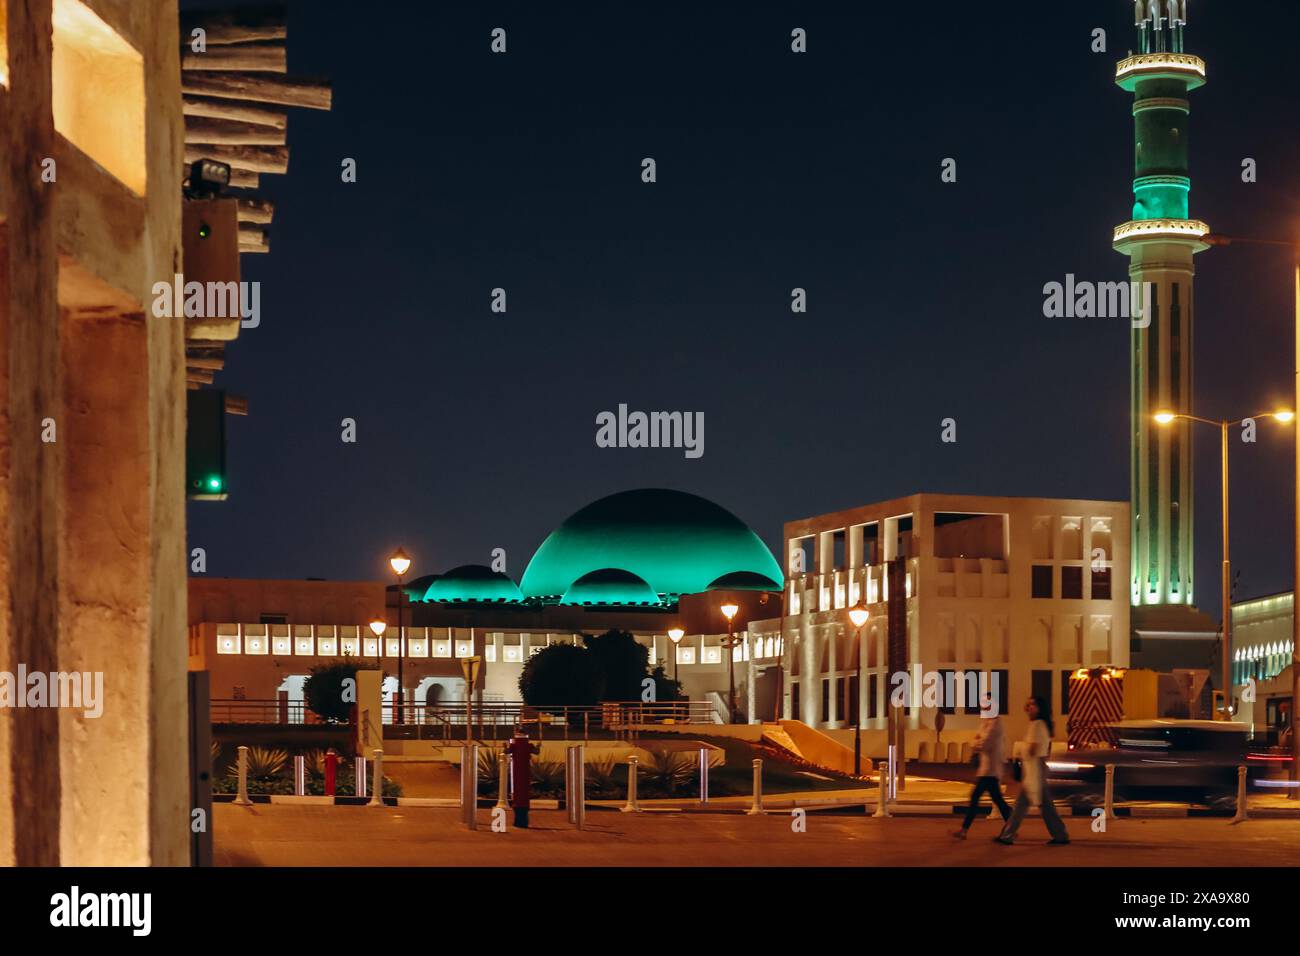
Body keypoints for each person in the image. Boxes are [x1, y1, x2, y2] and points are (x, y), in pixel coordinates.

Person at [995, 696, 1070, 845]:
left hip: (1034, 768)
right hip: (1038, 767)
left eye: (1032, 705)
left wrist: (1019, 750)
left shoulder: (1037, 725)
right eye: (1028, 704)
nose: (1029, 707)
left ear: (1040, 708)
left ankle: (1007, 835)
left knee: (1023, 805)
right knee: (1039, 804)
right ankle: (1060, 835)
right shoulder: (1043, 725)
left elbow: (1032, 749)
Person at [953, 701, 1011, 838]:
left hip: (990, 769)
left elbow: (983, 744)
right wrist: (977, 741)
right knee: (997, 800)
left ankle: (964, 830)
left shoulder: (995, 725)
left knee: (976, 798)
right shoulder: (986, 723)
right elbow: (975, 741)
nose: (984, 709)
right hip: (987, 769)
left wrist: (978, 742)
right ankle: (1012, 825)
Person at [505, 726, 538, 828]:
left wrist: (505, 746)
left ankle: (518, 822)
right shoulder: (528, 745)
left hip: (517, 774)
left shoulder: (514, 745)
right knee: (524, 793)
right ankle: (524, 822)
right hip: (525, 774)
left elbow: (507, 751)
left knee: (518, 794)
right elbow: (536, 751)